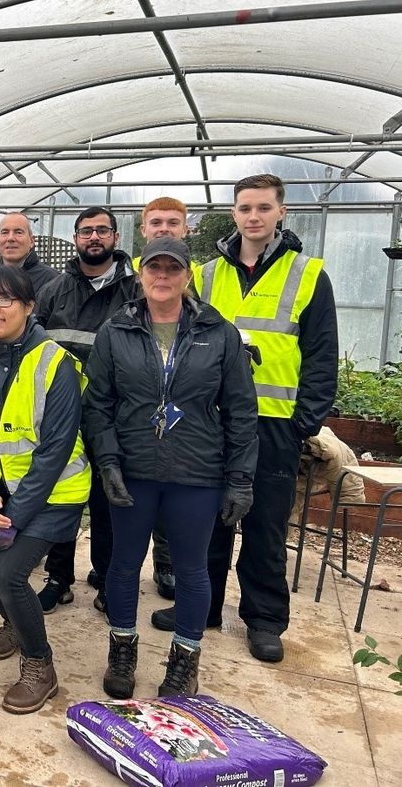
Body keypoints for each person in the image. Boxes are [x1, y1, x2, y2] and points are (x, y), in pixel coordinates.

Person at [155, 174, 338, 664]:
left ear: (281, 212)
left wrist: (306, 421)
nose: (253, 217)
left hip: (274, 422)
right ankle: (205, 606)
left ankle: (264, 620)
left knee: (265, 523)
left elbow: (322, 354)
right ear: (233, 213)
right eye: (244, 208)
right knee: (205, 519)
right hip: (209, 419)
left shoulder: (307, 275)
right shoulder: (209, 274)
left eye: (263, 208)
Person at [84, 237, 258, 697]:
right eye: (154, 268)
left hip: (197, 471)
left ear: (187, 275)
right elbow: (97, 404)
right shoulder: (115, 331)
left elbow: (241, 410)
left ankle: (185, 659)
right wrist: (107, 462)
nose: (163, 277)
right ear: (141, 273)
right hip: (133, 467)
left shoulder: (217, 333)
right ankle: (122, 648)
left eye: (172, 269)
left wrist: (240, 479)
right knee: (123, 565)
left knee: (192, 569)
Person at [0, 265, 90, 714]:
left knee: (9, 574)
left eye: (5, 300)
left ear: (29, 307)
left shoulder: (56, 363)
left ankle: (40, 666)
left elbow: (54, 451)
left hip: (54, 495)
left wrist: (14, 511)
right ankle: (17, 623)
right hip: (0, 494)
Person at [34, 206, 139, 615]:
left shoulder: (136, 291)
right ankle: (58, 578)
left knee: (109, 501)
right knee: (62, 496)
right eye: (85, 231)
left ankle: (109, 579)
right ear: (75, 239)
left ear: (115, 237)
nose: (93, 238)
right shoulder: (55, 291)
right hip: (63, 415)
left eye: (102, 231)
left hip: (115, 416)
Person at [133, 196, 196, 600]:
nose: (164, 229)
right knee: (138, 495)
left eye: (173, 222)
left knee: (177, 494)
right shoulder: (133, 287)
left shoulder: (199, 281)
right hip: (139, 409)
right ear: (143, 230)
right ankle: (118, 572)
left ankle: (170, 565)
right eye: (156, 222)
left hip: (189, 410)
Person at [0, 212, 59, 295]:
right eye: (5, 232)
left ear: (31, 241)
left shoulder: (53, 281)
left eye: (18, 232)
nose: (10, 238)